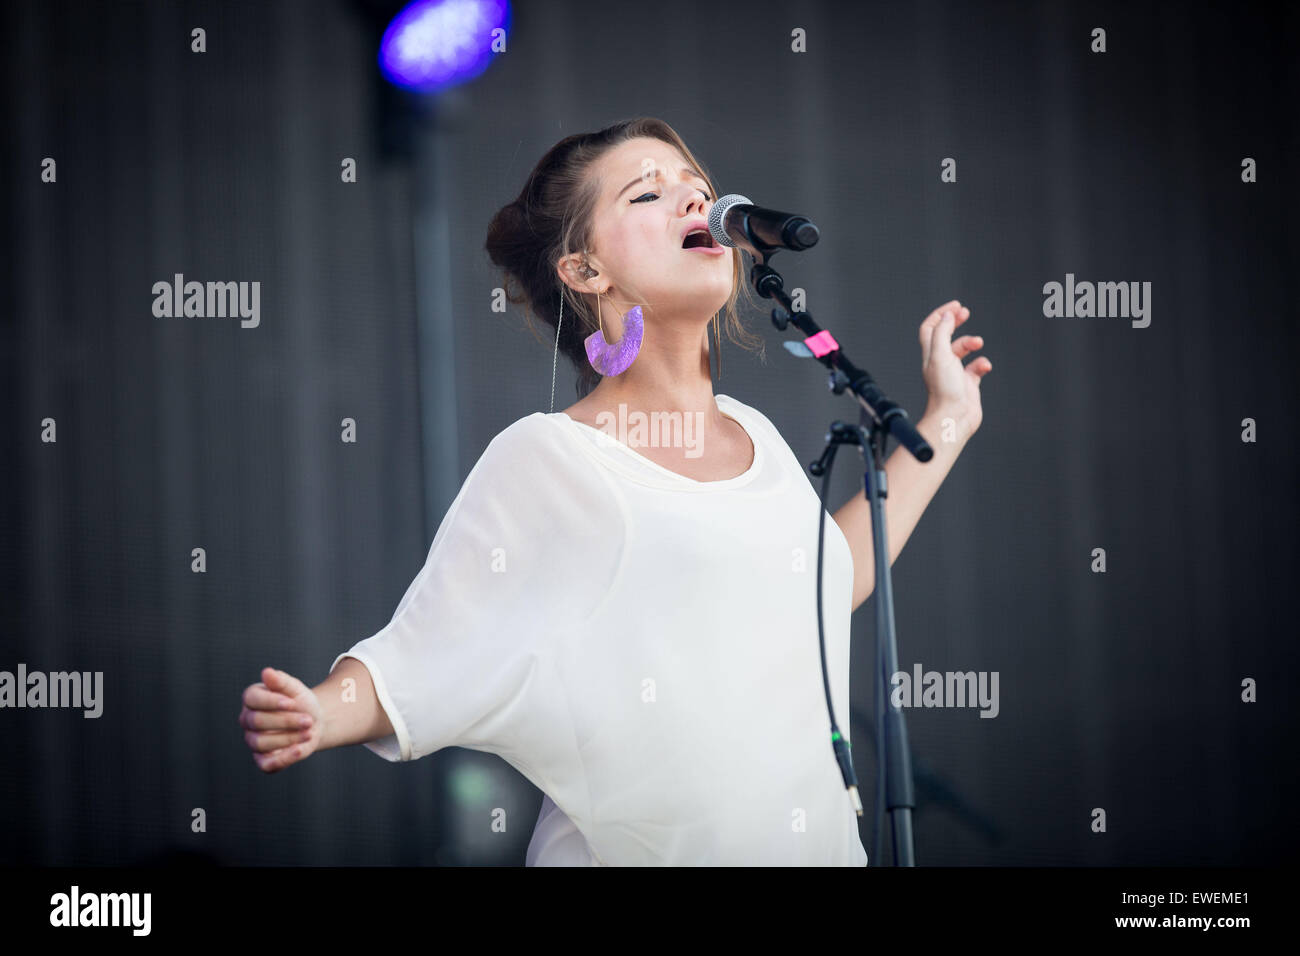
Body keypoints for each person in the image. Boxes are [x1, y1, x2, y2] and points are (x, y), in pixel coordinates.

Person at [237, 116, 992, 865]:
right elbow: (418, 656)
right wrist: (315, 713)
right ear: (585, 270)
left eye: (698, 189)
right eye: (647, 194)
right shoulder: (554, 457)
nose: (695, 202)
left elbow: (833, 576)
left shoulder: (756, 435)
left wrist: (948, 419)